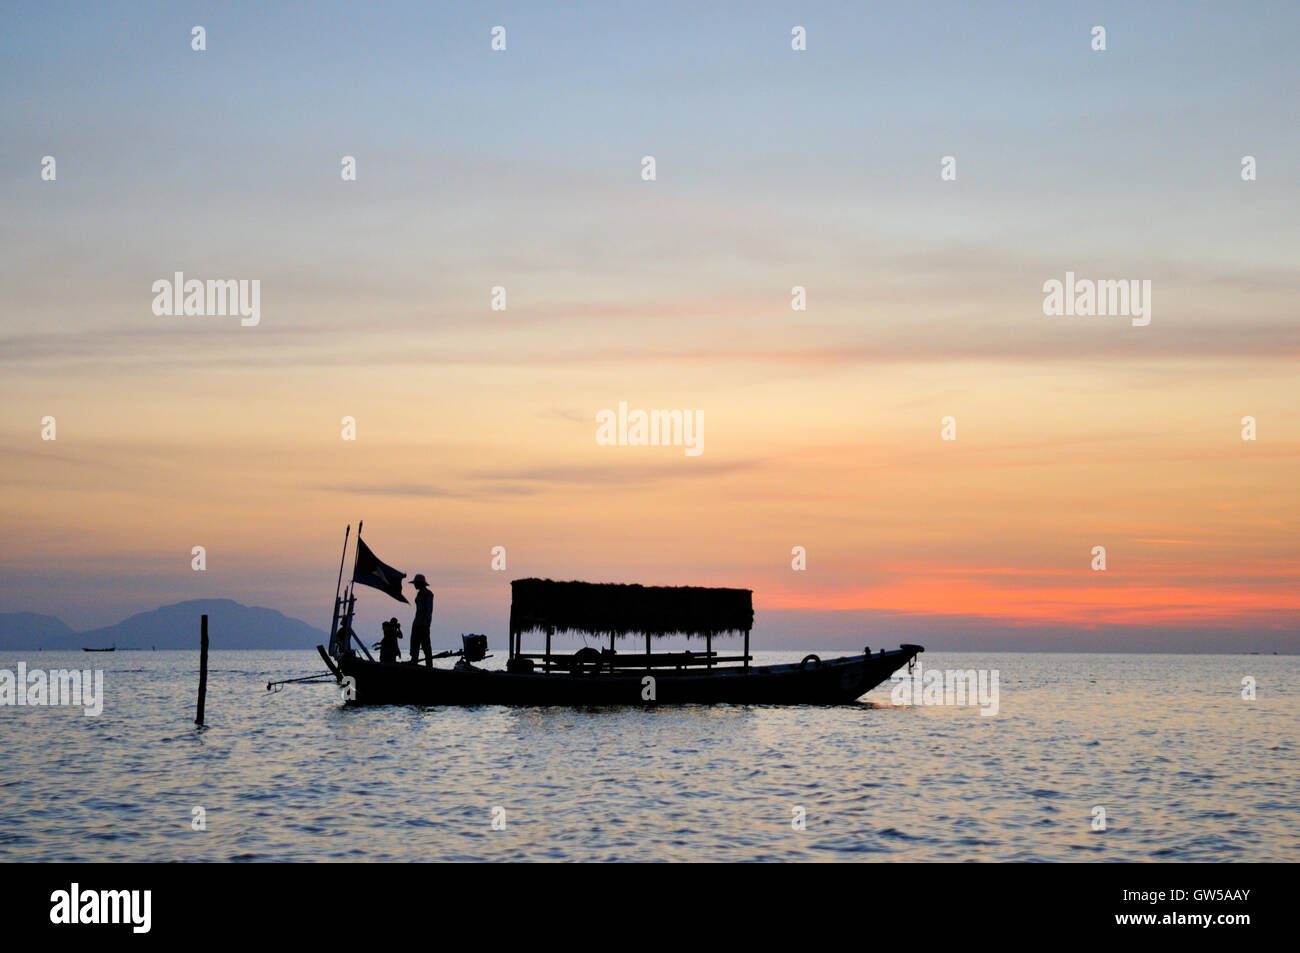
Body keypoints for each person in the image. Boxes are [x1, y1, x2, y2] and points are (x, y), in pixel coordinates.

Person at [408, 573, 434, 666]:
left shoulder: (428, 594)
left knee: (426, 647)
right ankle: (414, 662)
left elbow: (429, 610)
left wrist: (426, 623)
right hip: (416, 624)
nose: (414, 585)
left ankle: (429, 666)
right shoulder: (419, 594)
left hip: (423, 625)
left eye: (416, 583)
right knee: (414, 646)